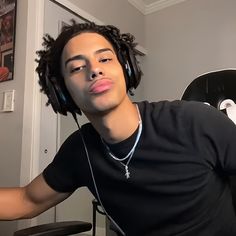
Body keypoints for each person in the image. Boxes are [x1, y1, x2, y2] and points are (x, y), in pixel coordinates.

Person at [0, 20, 236, 236]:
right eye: (76, 68)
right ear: (62, 91)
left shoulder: (196, 121)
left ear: (126, 69)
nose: (94, 70)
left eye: (104, 59)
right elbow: (27, 200)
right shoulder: (79, 150)